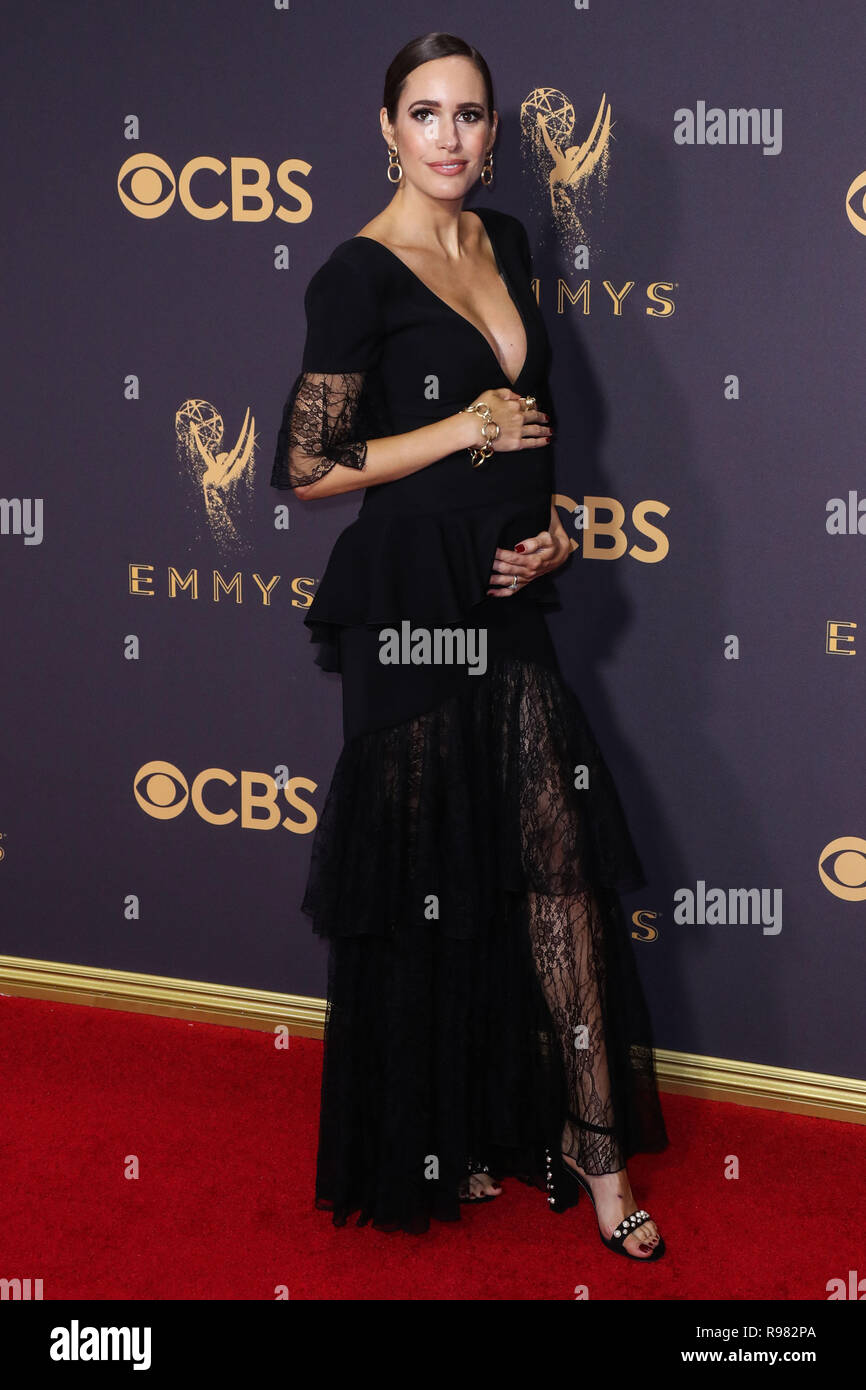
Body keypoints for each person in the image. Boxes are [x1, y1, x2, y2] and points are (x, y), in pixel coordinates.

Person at [271, 31, 669, 1258]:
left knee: (553, 867)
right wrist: (461, 428)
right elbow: (307, 467)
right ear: (385, 128)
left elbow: (534, 437)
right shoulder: (356, 273)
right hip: (407, 602)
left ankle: (592, 1156)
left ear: (494, 135)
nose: (448, 136)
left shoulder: (501, 242)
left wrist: (550, 531)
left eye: (470, 115)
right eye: (425, 113)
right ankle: (429, 1138)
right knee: (422, 868)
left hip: (502, 595)